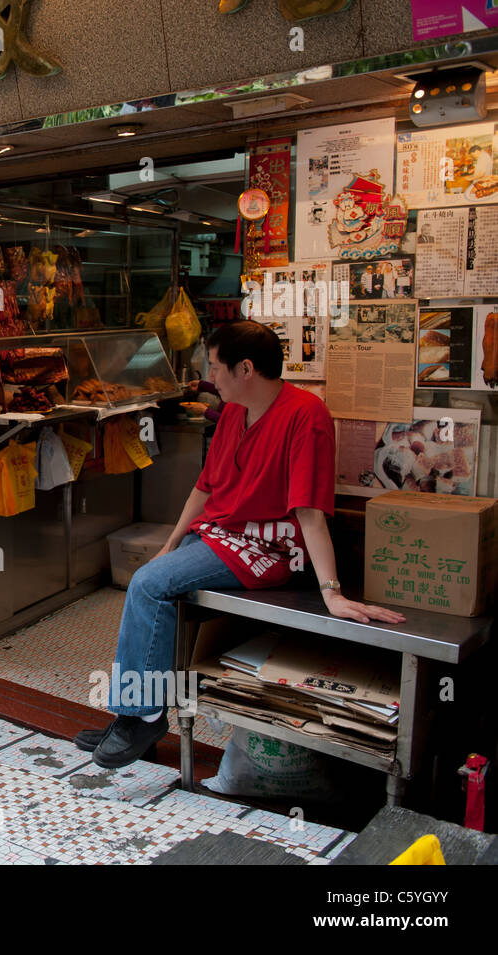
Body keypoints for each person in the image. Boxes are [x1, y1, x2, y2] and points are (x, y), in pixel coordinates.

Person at [80, 322, 405, 769]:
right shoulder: (233, 411)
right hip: (219, 535)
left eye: (215, 367)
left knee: (149, 584)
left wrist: (331, 590)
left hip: (268, 548)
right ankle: (134, 716)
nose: (210, 378)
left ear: (245, 368)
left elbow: (310, 512)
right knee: (154, 579)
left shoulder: (306, 416)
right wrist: (171, 542)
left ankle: (142, 717)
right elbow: (206, 486)